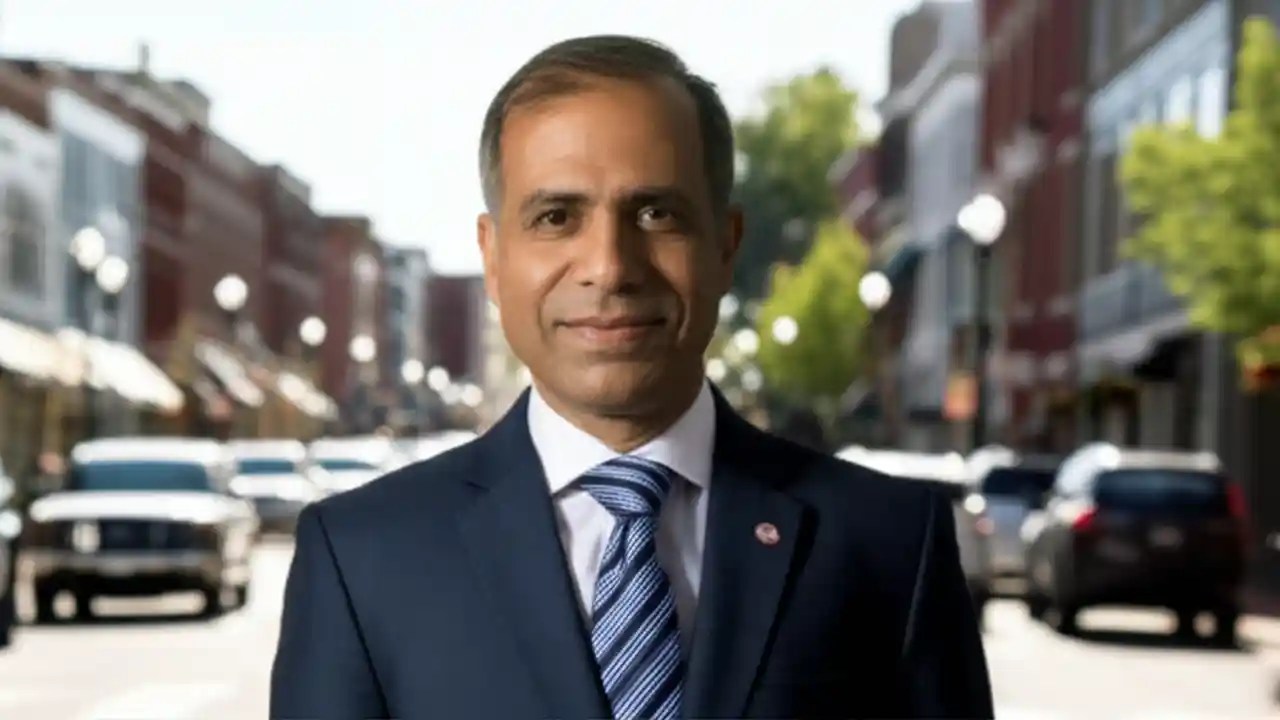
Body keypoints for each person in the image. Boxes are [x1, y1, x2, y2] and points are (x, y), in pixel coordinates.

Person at [271, 34, 993, 720]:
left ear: (725, 245)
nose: (611, 266)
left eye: (656, 212)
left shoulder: (892, 547)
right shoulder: (362, 559)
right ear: (493, 260)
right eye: (556, 217)